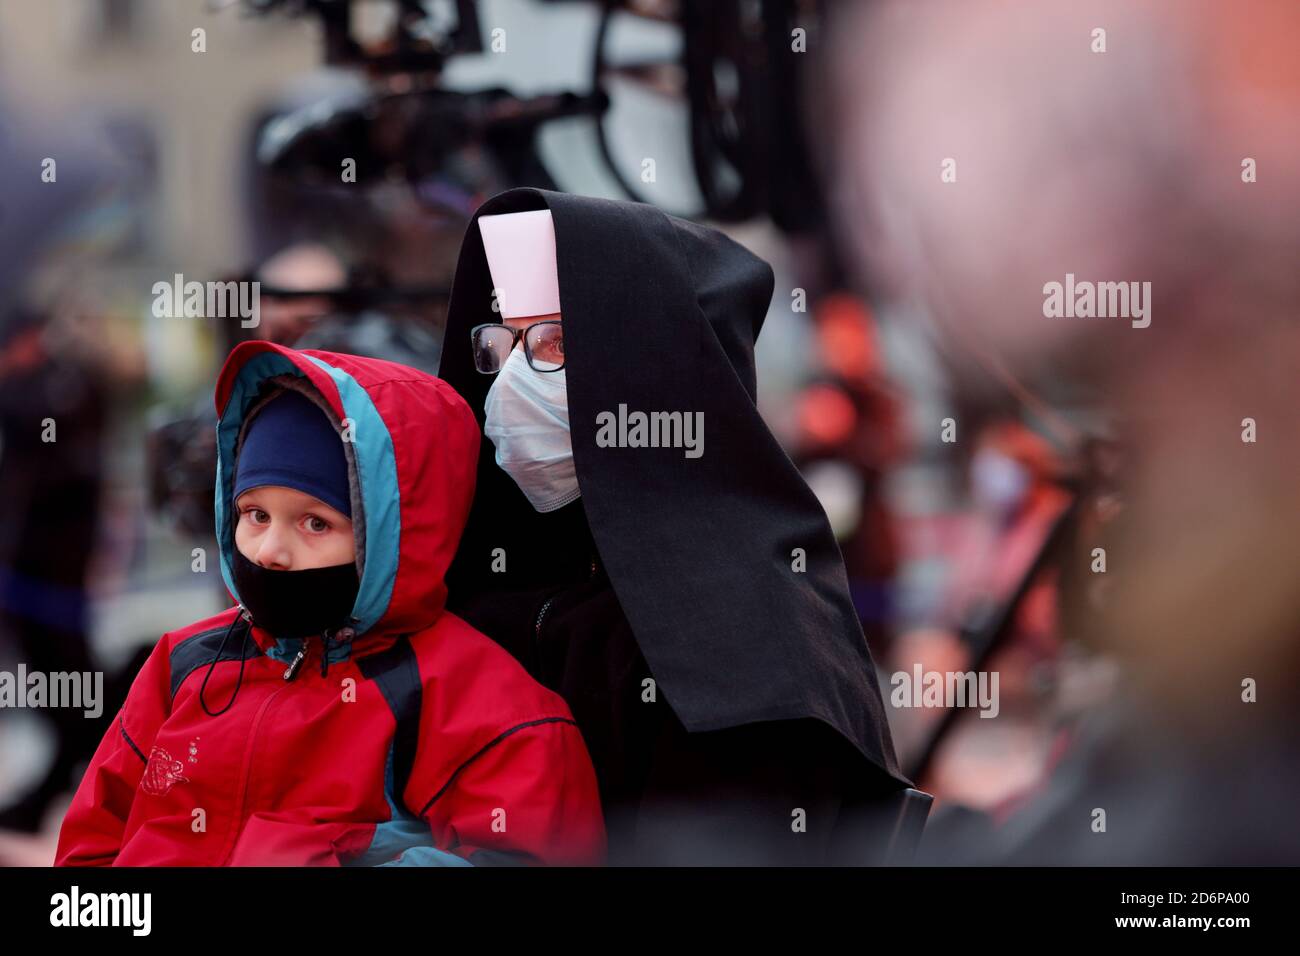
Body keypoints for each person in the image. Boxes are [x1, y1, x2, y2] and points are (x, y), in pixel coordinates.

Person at [438, 188, 913, 865]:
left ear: (654, 367)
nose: (511, 381)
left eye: (553, 341)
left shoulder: (751, 643)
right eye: (503, 342)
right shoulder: (489, 592)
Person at [54, 340, 605, 866]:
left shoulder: (468, 696)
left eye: (316, 522)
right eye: (255, 514)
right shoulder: (185, 665)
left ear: (390, 533)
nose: (270, 551)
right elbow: (91, 844)